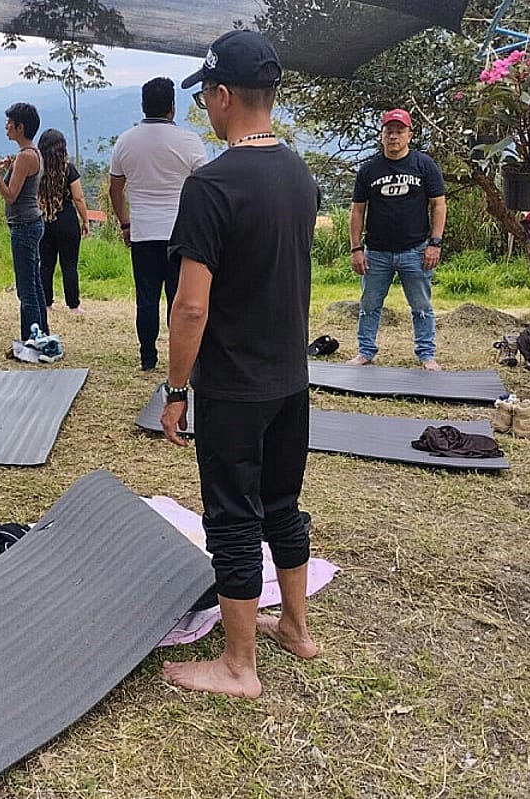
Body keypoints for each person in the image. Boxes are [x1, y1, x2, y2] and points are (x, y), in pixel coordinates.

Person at [161, 30, 319, 698]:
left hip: (233, 385)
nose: (206, 106)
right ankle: (298, 631)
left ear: (223, 95)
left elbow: (191, 308)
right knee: (284, 503)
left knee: (231, 515)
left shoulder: (212, 184)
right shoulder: (301, 174)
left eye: (207, 96)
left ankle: (238, 664)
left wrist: (174, 389)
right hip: (291, 380)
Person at [109, 76, 208, 371]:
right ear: (172, 107)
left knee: (147, 299)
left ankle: (147, 357)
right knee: (179, 301)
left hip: (142, 232)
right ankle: (178, 359)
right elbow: (205, 185)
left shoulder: (126, 141)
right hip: (180, 235)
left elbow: (115, 188)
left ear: (143, 105)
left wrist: (125, 223)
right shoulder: (188, 141)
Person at [348, 108, 447, 371]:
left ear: (409, 135)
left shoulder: (424, 165)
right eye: (388, 131)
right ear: (382, 135)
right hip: (376, 252)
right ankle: (365, 351)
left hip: (416, 251)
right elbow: (358, 210)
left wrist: (435, 243)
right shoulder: (368, 170)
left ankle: (426, 354)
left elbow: (438, 204)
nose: (393, 136)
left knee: (421, 306)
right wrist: (356, 248)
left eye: (399, 131)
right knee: (369, 305)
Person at [0, 102, 51, 343]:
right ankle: (41, 333)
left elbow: (10, 195)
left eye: (10, 123)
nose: (6, 127)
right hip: (32, 222)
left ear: (20, 127)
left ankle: (33, 338)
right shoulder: (30, 153)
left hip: (24, 225)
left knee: (26, 288)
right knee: (34, 284)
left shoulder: (26, 157)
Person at [37, 128, 90, 315]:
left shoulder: (37, 169)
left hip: (43, 219)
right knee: (69, 265)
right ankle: (73, 305)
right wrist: (85, 220)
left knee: (45, 264)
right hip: (66, 220)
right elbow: (79, 198)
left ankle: (46, 303)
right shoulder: (68, 169)